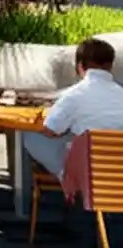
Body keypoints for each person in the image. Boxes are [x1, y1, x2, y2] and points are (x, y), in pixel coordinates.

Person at [24, 38, 123, 180]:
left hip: (87, 176)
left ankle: (65, 177)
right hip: (118, 174)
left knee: (29, 136)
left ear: (80, 66)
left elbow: (51, 129)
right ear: (110, 66)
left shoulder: (74, 95)